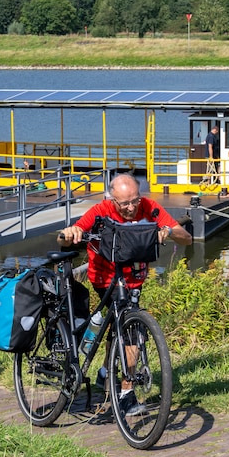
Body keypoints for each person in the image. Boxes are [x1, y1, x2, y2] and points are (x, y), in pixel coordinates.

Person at [58, 173, 192, 416]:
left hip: (134, 279)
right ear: (113, 200)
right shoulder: (101, 210)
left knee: (125, 326)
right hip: (105, 278)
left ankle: (107, 376)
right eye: (125, 203)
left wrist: (168, 232)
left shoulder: (150, 208)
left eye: (135, 201)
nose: (131, 208)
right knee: (128, 330)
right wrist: (71, 232)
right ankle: (125, 394)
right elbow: (74, 232)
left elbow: (187, 238)